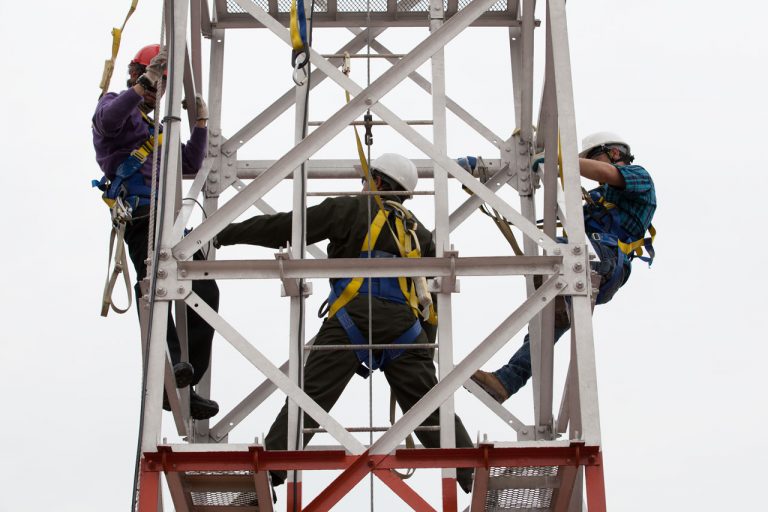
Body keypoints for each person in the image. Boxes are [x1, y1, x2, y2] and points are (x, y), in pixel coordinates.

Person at [215, 153, 475, 494]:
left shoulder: (351, 209)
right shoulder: (417, 232)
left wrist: (224, 234)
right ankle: (471, 471)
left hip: (353, 317)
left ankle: (272, 470)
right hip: (404, 329)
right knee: (430, 409)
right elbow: (428, 298)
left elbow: (284, 227)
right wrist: (422, 349)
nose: (363, 186)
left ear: (378, 182)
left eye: (367, 181)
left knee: (311, 396)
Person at [471, 132, 657, 403]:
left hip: (604, 258)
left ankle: (554, 297)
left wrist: (562, 160)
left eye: (591, 157)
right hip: (587, 260)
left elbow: (606, 173)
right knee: (543, 328)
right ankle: (507, 380)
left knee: (552, 250)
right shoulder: (597, 197)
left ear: (614, 153)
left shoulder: (640, 178)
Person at [92, 44, 220, 420]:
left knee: (206, 289)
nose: (155, 91)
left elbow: (191, 162)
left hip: (171, 220)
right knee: (156, 289)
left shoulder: (157, 130)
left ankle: (186, 376)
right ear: (136, 74)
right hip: (143, 218)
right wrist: (141, 86)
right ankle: (167, 375)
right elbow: (110, 119)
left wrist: (199, 124)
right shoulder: (113, 108)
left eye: (160, 84)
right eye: (151, 81)